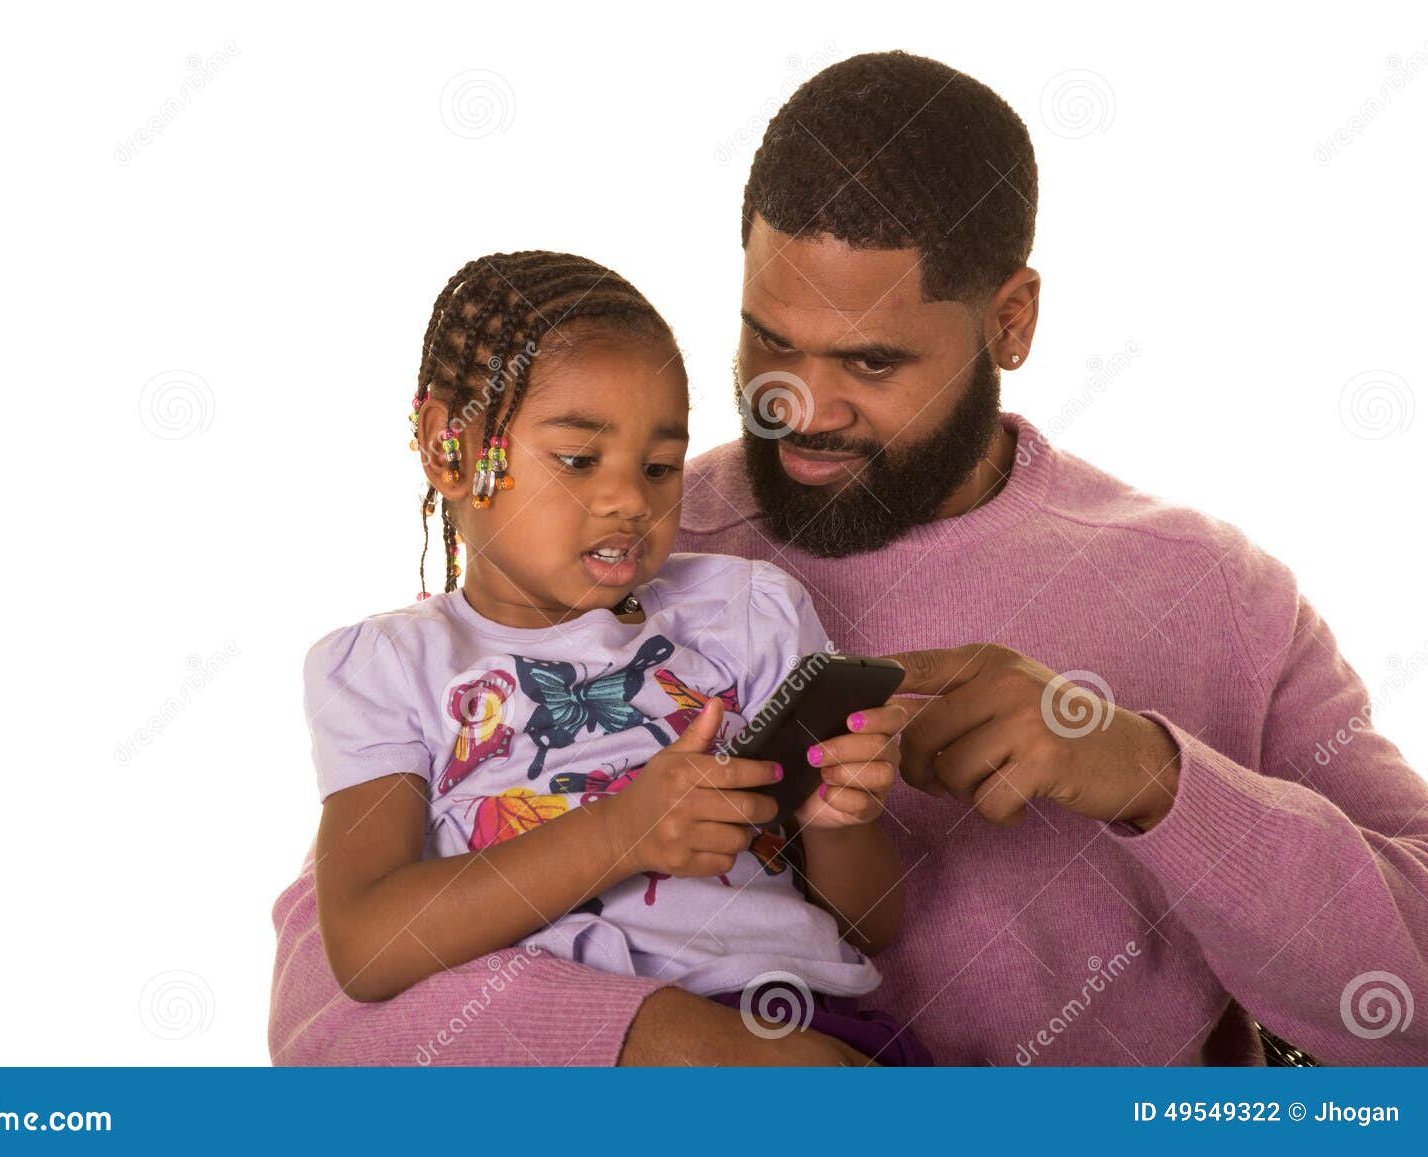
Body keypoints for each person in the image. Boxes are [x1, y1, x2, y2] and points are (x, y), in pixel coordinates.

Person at [269, 51, 1428, 1066]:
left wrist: (1150, 775)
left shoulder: (1214, 593)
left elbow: (1411, 1010)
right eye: (768, 342)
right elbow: (331, 998)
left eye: (870, 364)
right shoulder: (612, 548)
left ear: (1010, 322)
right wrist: (663, 1047)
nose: (801, 408)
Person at [299, 248, 930, 1066]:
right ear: (450, 449)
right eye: (578, 459)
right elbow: (368, 941)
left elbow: (869, 921)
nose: (631, 499)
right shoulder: (390, 665)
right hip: (585, 1053)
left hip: (805, 1022)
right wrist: (626, 831)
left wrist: (840, 822)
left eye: (661, 465)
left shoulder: (744, 612)